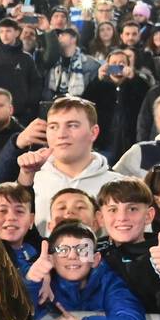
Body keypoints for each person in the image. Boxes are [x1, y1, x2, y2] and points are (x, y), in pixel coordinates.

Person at [15, 97, 119, 235]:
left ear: (93, 132)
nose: (61, 134)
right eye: (53, 127)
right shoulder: (29, 180)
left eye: (72, 125)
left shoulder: (117, 186)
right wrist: (26, 178)